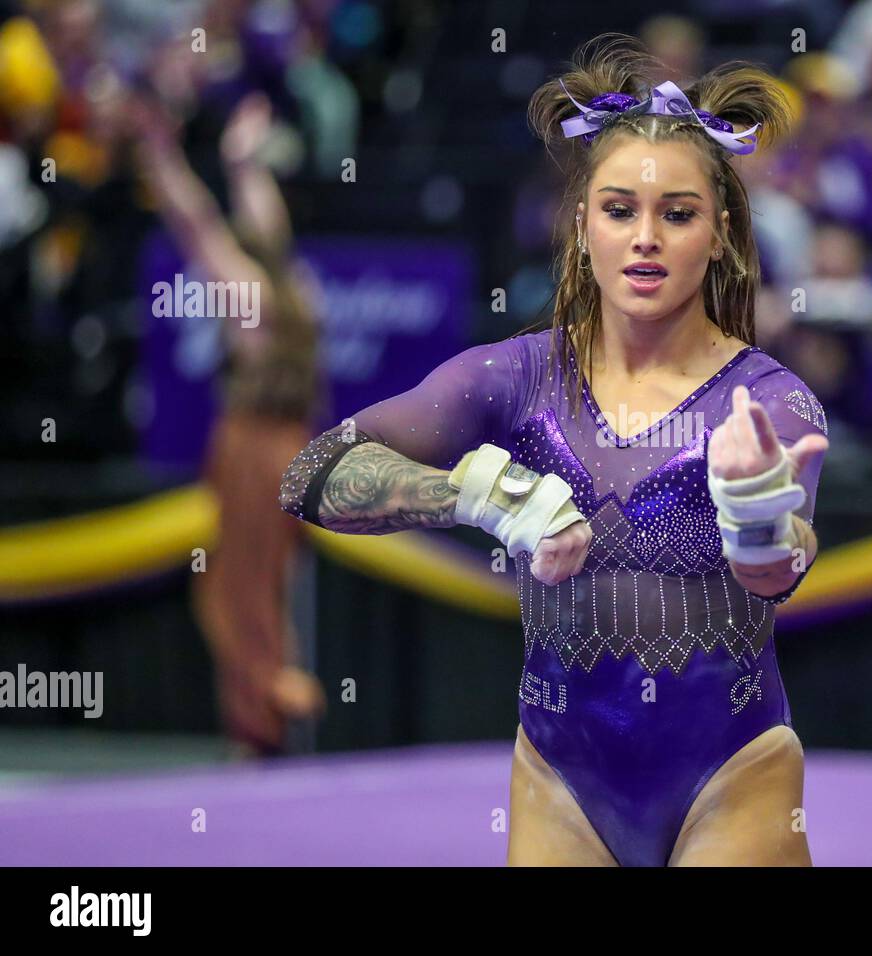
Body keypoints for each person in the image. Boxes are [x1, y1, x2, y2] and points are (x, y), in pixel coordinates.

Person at [278, 34, 830, 866]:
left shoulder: (768, 401)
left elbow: (779, 572)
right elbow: (311, 473)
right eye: (619, 210)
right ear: (581, 226)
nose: (645, 238)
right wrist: (472, 498)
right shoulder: (515, 376)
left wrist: (756, 516)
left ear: (718, 234)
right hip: (561, 783)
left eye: (677, 214)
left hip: (734, 773)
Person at [134, 90, 326, 758]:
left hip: (252, 447)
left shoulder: (250, 294)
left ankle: (259, 717)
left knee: (237, 590)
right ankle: (277, 689)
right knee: (268, 587)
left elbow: (195, 227)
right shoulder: (291, 282)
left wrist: (159, 157)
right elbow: (252, 215)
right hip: (295, 442)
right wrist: (243, 156)